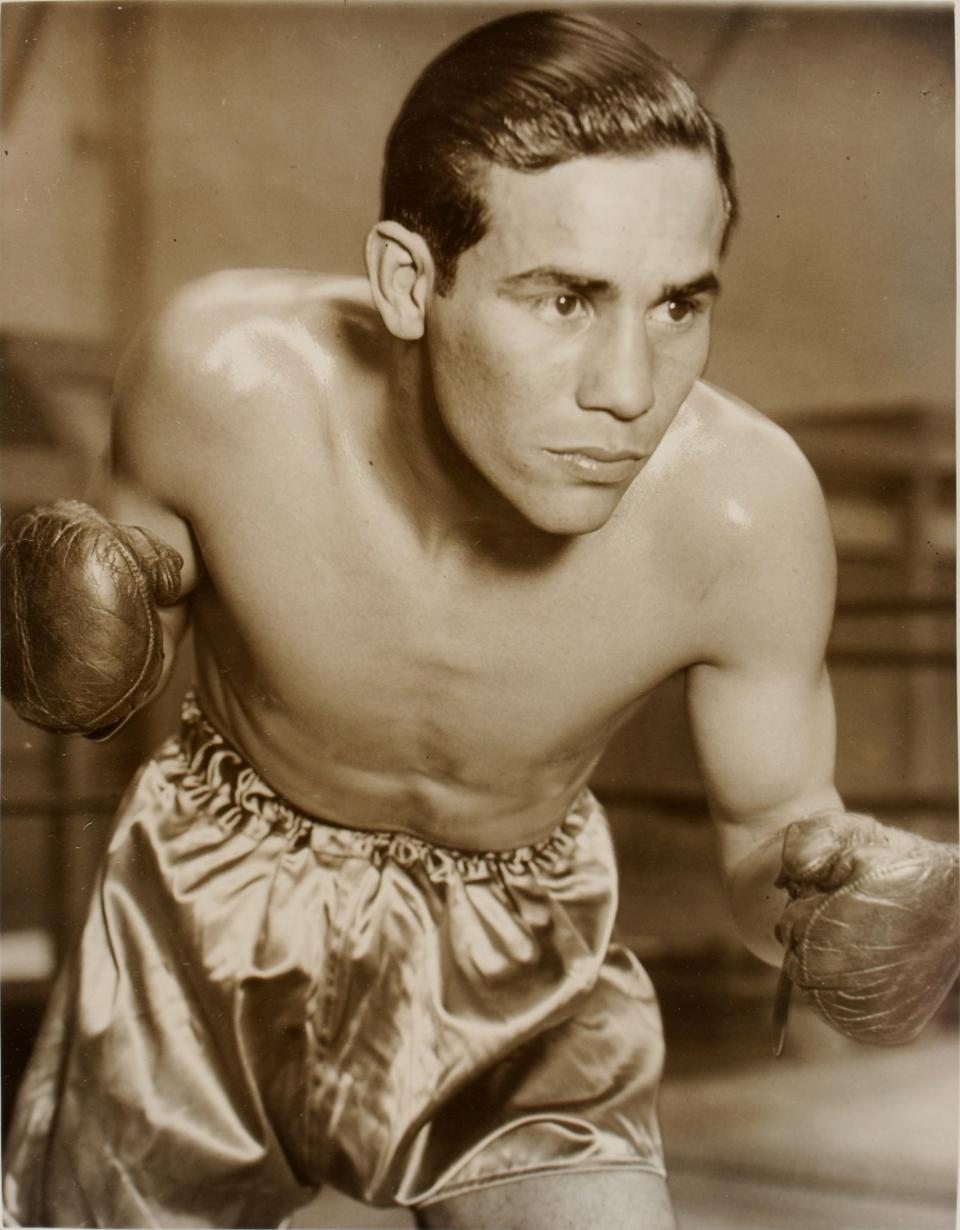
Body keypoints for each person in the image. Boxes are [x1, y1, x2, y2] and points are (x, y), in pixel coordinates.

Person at [2, 10, 956, 1229]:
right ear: (411, 280)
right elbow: (113, 647)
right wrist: (81, 622)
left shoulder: (745, 517)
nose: (627, 392)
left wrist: (847, 909)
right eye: (564, 299)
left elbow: (771, 828)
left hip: (525, 963)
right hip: (204, 911)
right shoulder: (220, 379)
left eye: (676, 307)